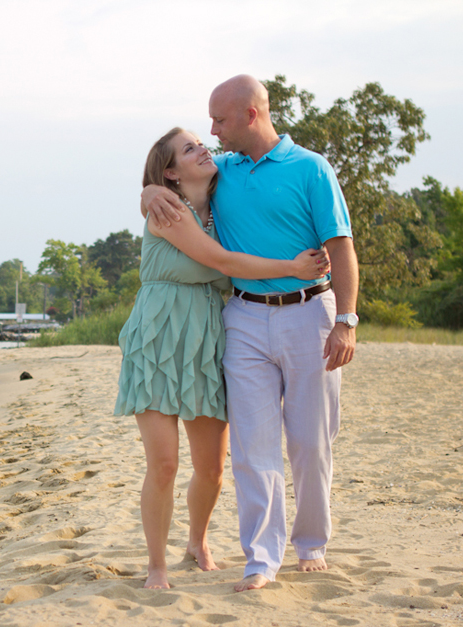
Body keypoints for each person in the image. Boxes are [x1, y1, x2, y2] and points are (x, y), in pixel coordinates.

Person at [143, 75, 359, 592]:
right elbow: (173, 193)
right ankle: (261, 559)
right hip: (241, 318)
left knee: (310, 442)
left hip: (310, 314)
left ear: (250, 115)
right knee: (252, 448)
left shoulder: (311, 168)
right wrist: (149, 188)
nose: (212, 131)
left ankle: (310, 545)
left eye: (219, 120)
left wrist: (347, 320)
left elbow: (342, 246)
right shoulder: (224, 172)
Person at [115, 126, 330, 589]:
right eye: (190, 148)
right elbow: (225, 263)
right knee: (165, 463)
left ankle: (197, 540)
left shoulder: (222, 197)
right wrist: (293, 268)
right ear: (171, 171)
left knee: (212, 466)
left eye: (201, 142)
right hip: (158, 337)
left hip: (211, 336)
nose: (203, 147)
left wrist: (147, 187)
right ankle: (157, 564)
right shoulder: (167, 209)